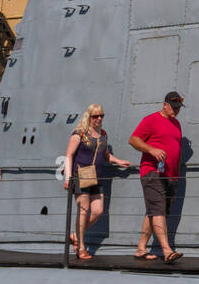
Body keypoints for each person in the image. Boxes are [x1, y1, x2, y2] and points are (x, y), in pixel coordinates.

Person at [63, 104, 132, 260]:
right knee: (83, 211)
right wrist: (68, 177)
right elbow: (69, 155)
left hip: (96, 177)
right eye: (95, 116)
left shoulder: (103, 134)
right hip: (81, 175)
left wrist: (118, 161)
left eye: (101, 115)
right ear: (89, 117)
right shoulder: (79, 133)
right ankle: (81, 248)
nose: (99, 118)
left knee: (98, 211)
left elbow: (106, 155)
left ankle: (76, 235)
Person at [128, 91, 184, 262]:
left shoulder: (176, 124)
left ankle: (141, 248)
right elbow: (133, 140)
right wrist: (151, 150)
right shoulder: (151, 120)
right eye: (173, 107)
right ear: (165, 105)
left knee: (154, 211)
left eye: (178, 108)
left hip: (170, 176)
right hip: (152, 172)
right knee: (158, 210)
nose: (176, 110)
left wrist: (176, 174)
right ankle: (167, 251)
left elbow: (177, 149)